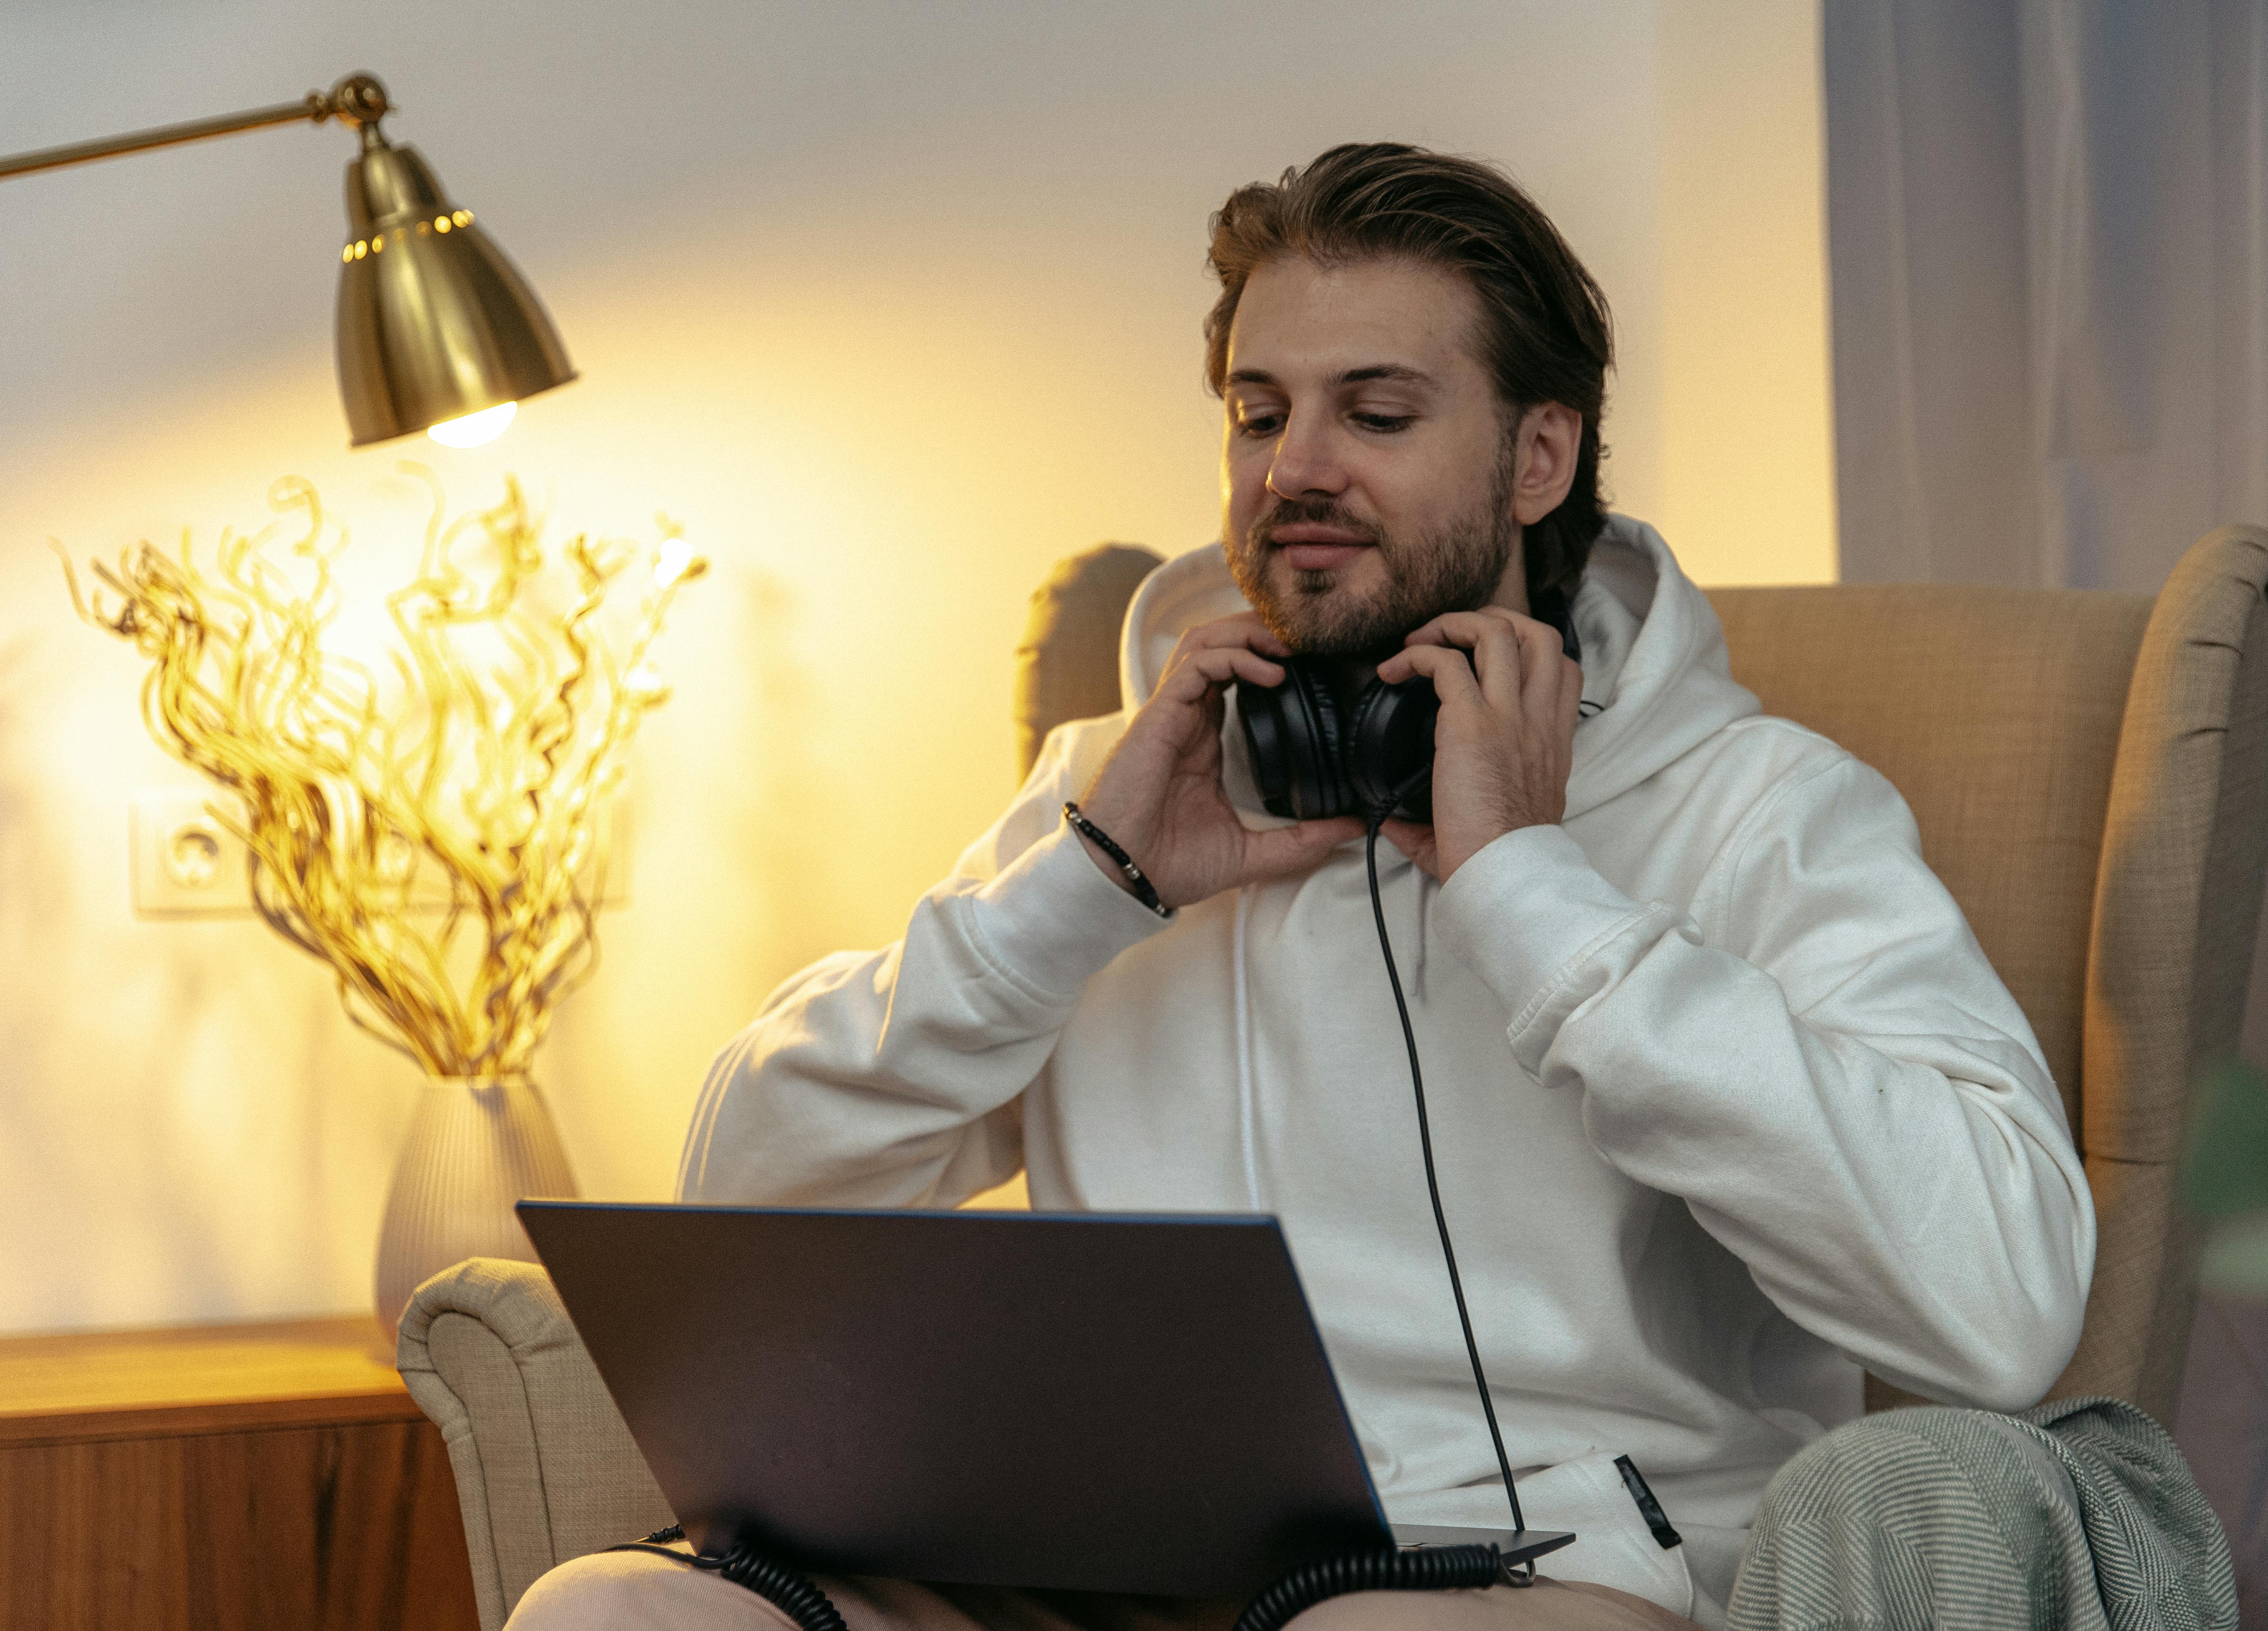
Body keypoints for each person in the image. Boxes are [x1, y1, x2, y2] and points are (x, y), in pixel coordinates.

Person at [510, 144, 2095, 1631]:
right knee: (615, 1614)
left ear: (1540, 454)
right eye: (1260, 414)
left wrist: (1540, 896)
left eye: (1378, 414)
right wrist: (1087, 892)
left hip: (1548, 1571)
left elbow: (2001, 1308)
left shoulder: (1764, 811)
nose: (1295, 470)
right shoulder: (1119, 788)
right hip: (1088, 1562)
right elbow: (728, 1212)